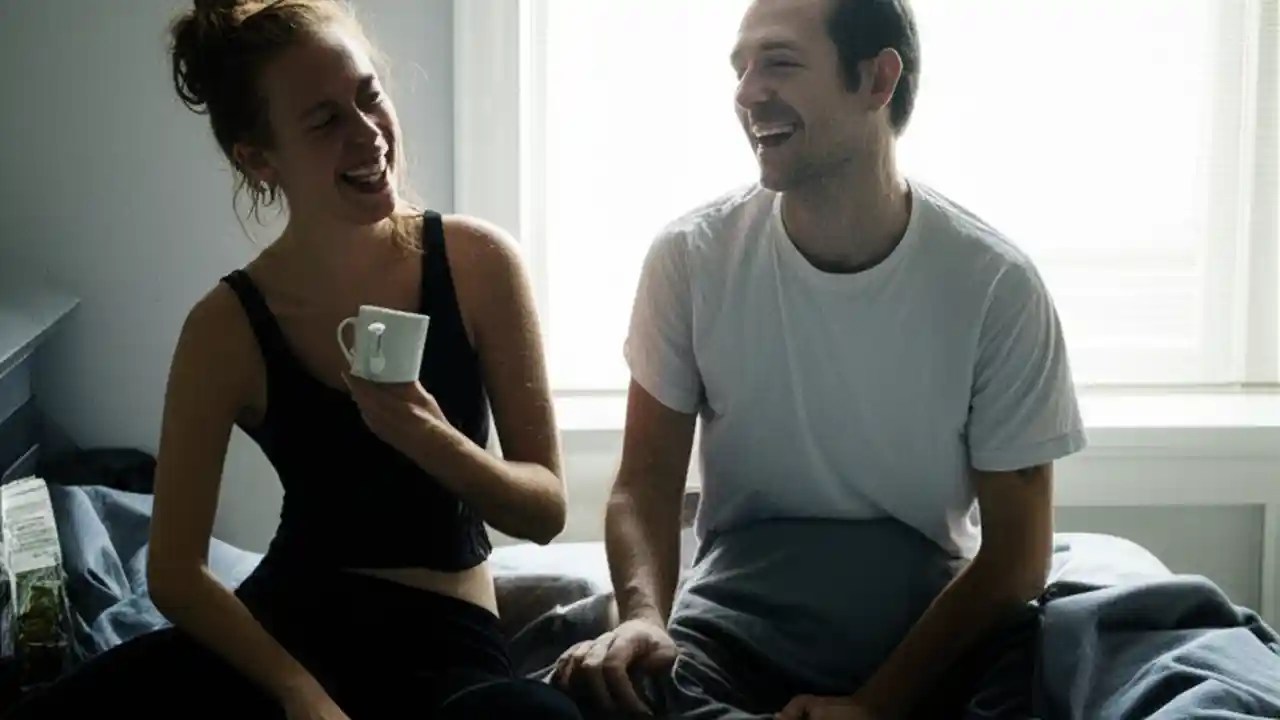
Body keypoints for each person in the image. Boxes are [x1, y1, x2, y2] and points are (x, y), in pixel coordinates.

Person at [5, 1, 582, 718]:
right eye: (325, 121)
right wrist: (298, 692)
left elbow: (544, 511)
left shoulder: (478, 263)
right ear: (259, 157)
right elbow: (175, 572)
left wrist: (431, 437)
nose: (368, 133)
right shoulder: (226, 327)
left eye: (370, 95)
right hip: (284, 632)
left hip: (446, 645)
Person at [551, 0, 1086, 717]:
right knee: (587, 696)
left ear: (877, 79)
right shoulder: (691, 257)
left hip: (922, 631)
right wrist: (645, 617)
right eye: (740, 69)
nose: (746, 93)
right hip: (736, 617)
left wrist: (874, 706)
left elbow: (1017, 560)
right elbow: (643, 483)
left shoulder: (995, 284)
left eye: (778, 62)